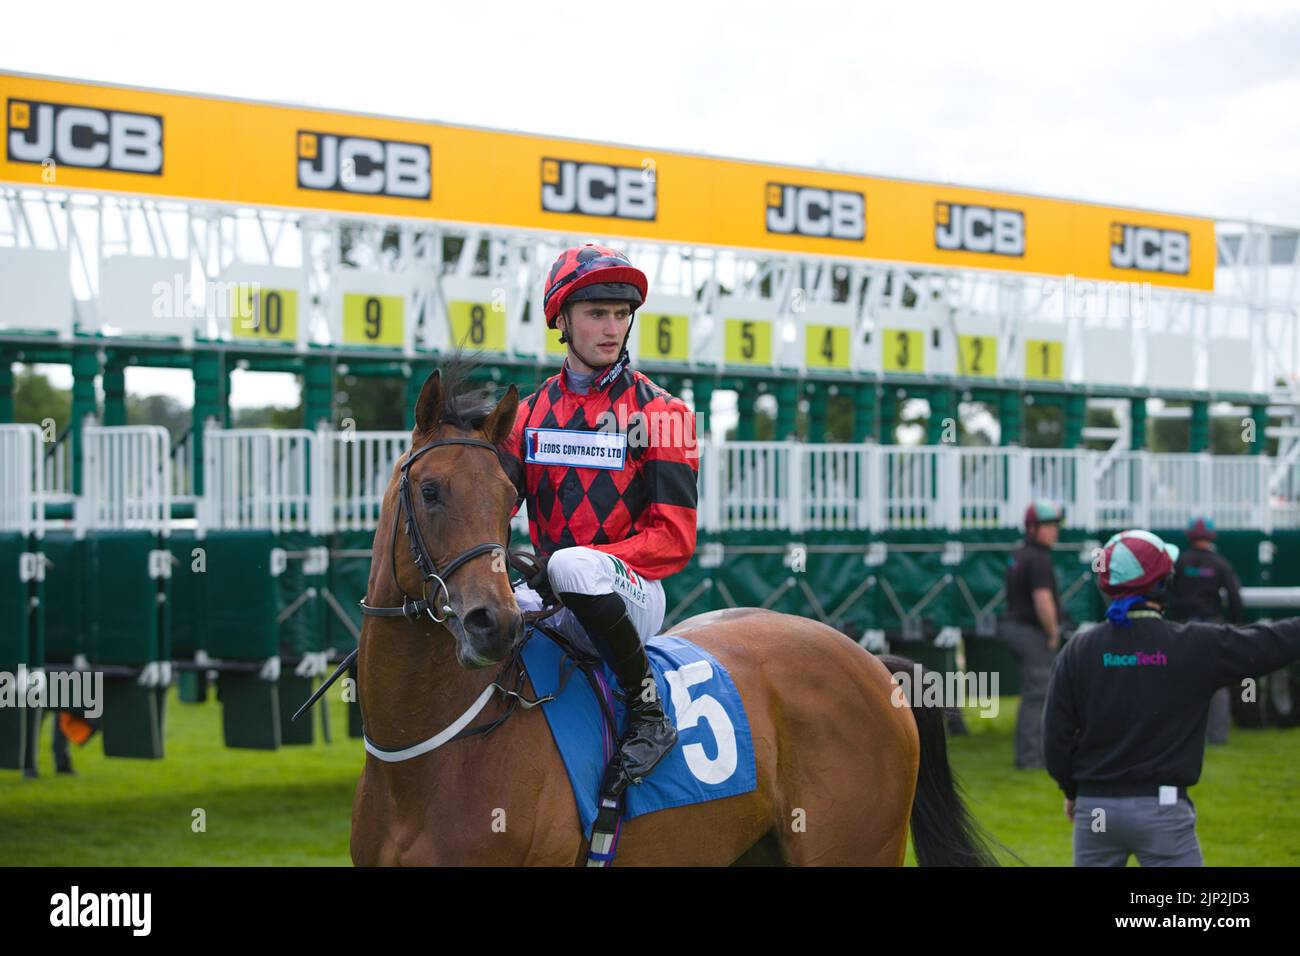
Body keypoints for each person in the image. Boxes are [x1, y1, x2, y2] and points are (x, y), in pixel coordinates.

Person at [498, 243, 699, 792]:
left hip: (631, 597)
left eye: (620, 314)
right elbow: (494, 508)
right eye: (596, 314)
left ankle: (649, 712)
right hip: (552, 595)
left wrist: (569, 564)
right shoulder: (526, 416)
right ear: (561, 320)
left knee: (574, 569)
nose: (612, 328)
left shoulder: (665, 415)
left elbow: (675, 541)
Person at [1043, 529, 1300, 866]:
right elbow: (1268, 642)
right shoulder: (1193, 645)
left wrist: (1073, 791)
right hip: (1162, 812)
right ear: (1164, 583)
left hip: (1095, 811)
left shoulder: (1078, 650)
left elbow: (1055, 739)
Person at [1166, 516, 1243, 745]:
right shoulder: (1220, 564)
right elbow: (1234, 597)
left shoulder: (1179, 563)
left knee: (1181, 681)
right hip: (1212, 627)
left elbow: (1165, 591)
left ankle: (1183, 736)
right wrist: (1234, 624)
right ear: (1211, 537)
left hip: (1182, 627)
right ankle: (1217, 737)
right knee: (1217, 682)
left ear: (1189, 536)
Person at [1001, 500, 1063, 769]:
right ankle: (1030, 759)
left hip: (1016, 627)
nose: (1054, 532)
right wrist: (1052, 631)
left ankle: (1032, 756)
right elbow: (1043, 600)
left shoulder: (1019, 554)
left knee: (1035, 693)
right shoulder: (1038, 559)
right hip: (1031, 631)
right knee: (1038, 694)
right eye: (1048, 526)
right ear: (1033, 528)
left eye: (1055, 526)